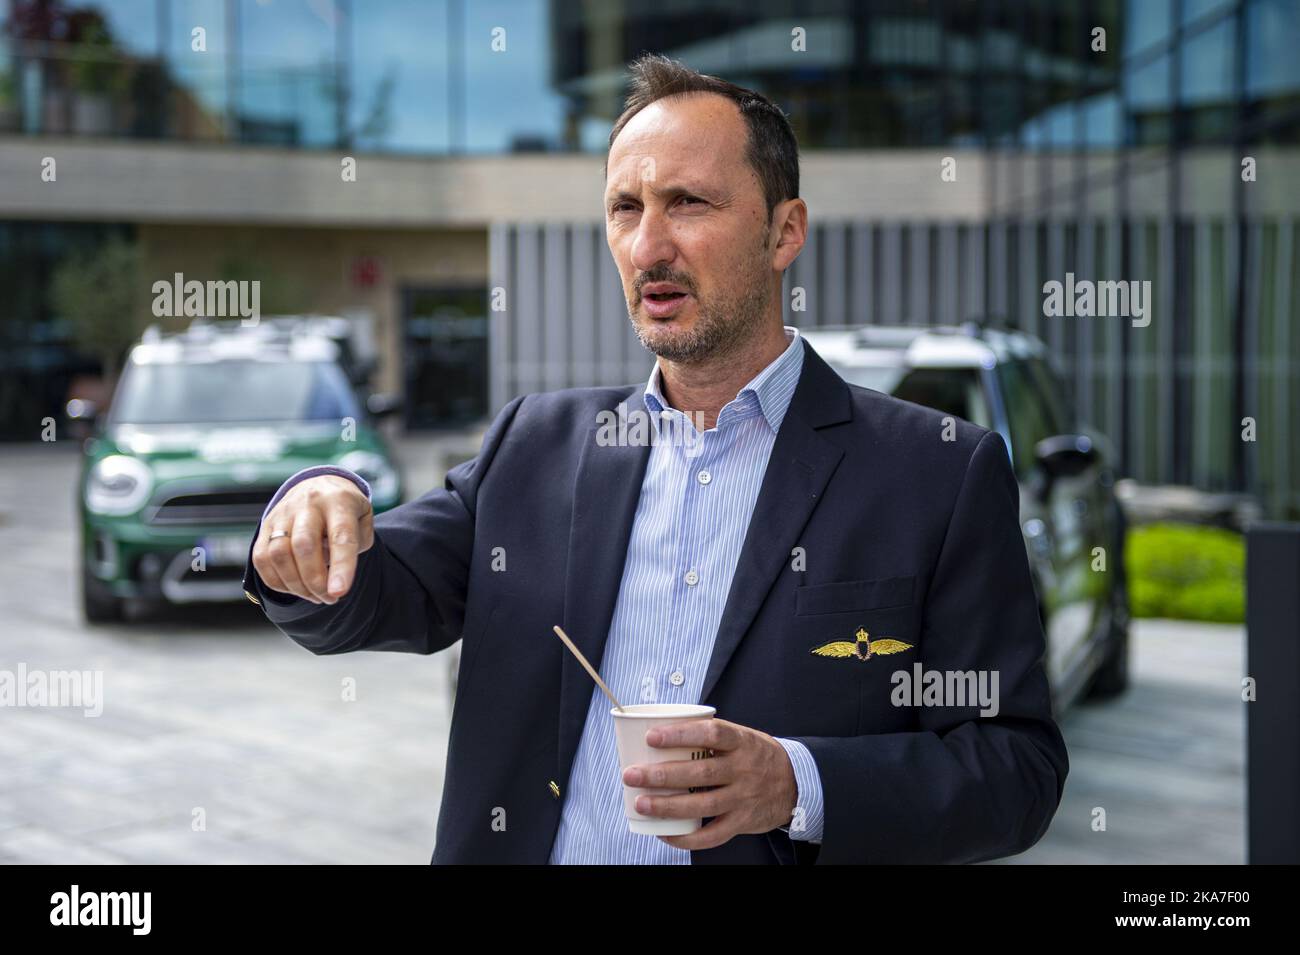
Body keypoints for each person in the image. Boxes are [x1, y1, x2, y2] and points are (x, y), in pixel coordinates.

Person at [244, 54, 1067, 864]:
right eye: (625, 208)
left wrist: (795, 783)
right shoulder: (533, 445)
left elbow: (1015, 768)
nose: (648, 246)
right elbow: (372, 593)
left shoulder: (938, 474)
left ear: (785, 231)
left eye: (688, 203)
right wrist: (316, 505)